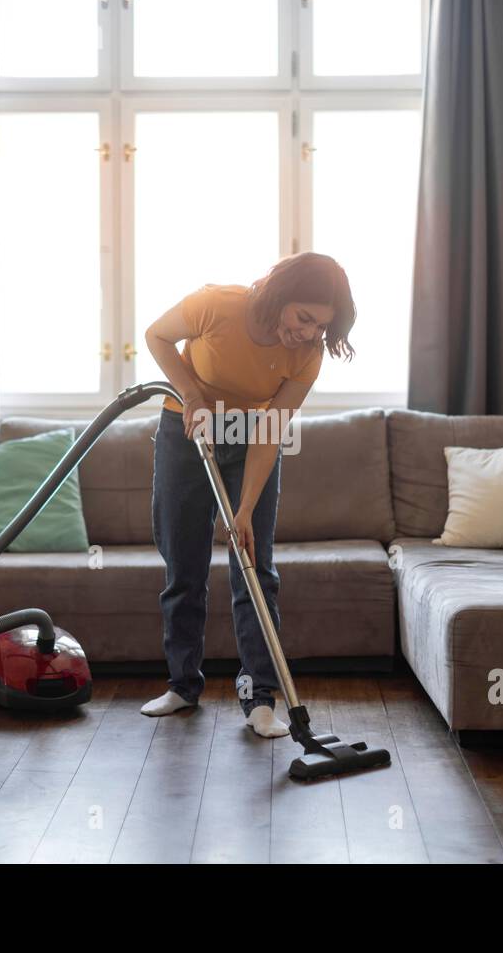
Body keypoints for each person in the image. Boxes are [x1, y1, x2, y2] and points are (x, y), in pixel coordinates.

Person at [140, 253, 356, 737]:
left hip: (250, 433)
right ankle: (182, 685)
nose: (307, 333)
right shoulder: (217, 305)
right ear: (280, 296)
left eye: (320, 326)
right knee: (183, 561)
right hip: (186, 430)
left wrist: (244, 509)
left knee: (254, 566)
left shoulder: (308, 354)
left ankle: (258, 697)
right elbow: (157, 334)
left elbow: (272, 429)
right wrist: (192, 397)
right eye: (303, 318)